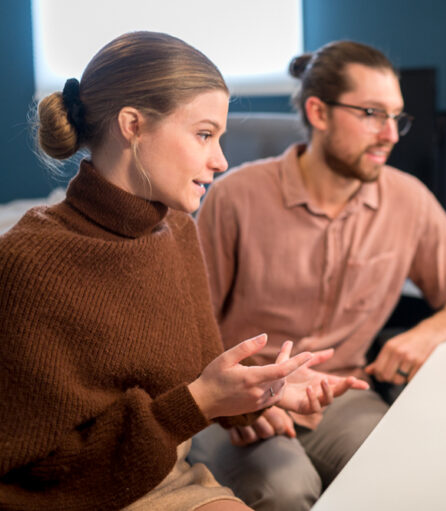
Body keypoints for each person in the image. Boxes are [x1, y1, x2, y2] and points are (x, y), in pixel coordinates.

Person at [0, 32, 367, 511]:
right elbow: (35, 473)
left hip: (164, 472)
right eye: (204, 134)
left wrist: (263, 389)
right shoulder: (28, 264)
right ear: (133, 125)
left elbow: (191, 377)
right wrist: (201, 403)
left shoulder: (176, 230)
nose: (221, 160)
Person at [190, 40, 446, 509]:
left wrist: (426, 333)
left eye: (397, 117)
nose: (391, 135)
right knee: (285, 490)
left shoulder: (407, 200)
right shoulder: (236, 197)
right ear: (319, 112)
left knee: (403, 477)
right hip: (244, 398)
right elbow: (187, 327)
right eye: (373, 114)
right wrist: (237, 399)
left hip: (341, 396)